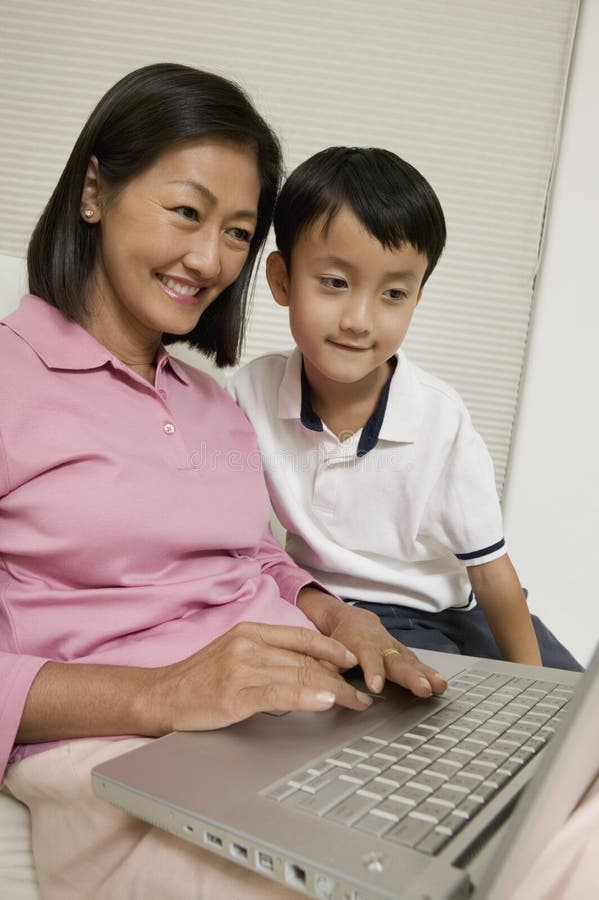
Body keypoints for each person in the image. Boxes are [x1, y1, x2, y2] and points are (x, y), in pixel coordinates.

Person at [0, 69, 446, 900]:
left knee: (546, 820)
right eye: (185, 212)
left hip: (303, 709)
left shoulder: (211, 400)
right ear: (94, 190)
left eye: (237, 233)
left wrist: (333, 611)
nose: (208, 259)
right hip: (132, 757)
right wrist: (167, 693)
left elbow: (253, 559)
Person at [229, 146, 581, 671]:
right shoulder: (248, 393)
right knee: (429, 710)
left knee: (569, 710)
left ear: (417, 298)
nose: (359, 319)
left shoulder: (438, 417)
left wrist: (529, 683)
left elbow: (490, 572)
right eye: (335, 283)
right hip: (342, 610)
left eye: (393, 293)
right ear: (281, 279)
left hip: (455, 608)